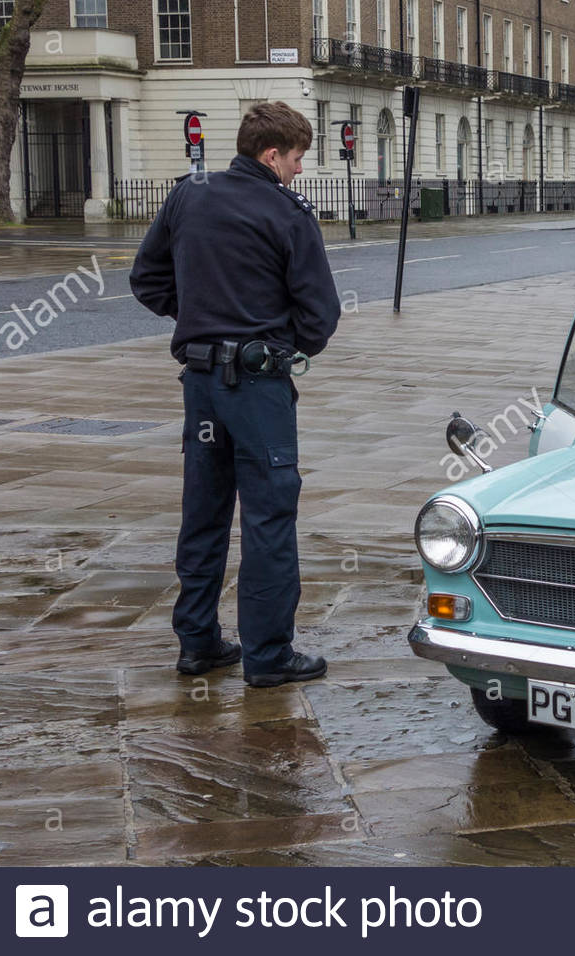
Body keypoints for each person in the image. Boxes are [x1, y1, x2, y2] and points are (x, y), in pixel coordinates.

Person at [130, 102, 341, 687]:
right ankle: (269, 657)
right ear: (272, 155)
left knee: (203, 512)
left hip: (200, 386)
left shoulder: (188, 195)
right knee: (270, 518)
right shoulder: (288, 212)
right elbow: (321, 315)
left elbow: (146, 279)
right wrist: (271, 344)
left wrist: (199, 318)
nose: (300, 170)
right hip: (258, 387)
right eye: (297, 159)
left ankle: (197, 644)